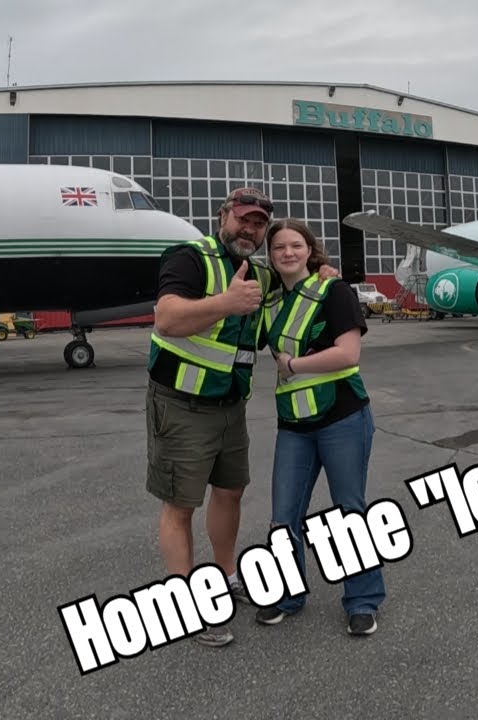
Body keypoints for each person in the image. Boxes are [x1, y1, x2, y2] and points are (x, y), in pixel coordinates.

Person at [146, 187, 337, 648]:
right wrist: (226, 303)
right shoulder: (190, 258)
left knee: (230, 492)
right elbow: (167, 319)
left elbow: (296, 277)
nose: (249, 229)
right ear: (223, 215)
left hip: (230, 406)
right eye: (243, 219)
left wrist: (323, 270)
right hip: (181, 403)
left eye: (258, 224)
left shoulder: (263, 275)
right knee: (180, 505)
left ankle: (227, 575)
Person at [253, 218, 384, 637]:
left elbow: (347, 354)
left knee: (350, 512)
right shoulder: (270, 302)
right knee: (283, 516)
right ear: (270, 257)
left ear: (310, 251)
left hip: (343, 417)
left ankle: (362, 601)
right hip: (293, 423)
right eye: (279, 248)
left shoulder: (335, 291)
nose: (288, 253)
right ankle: (289, 594)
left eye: (296, 246)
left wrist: (294, 365)